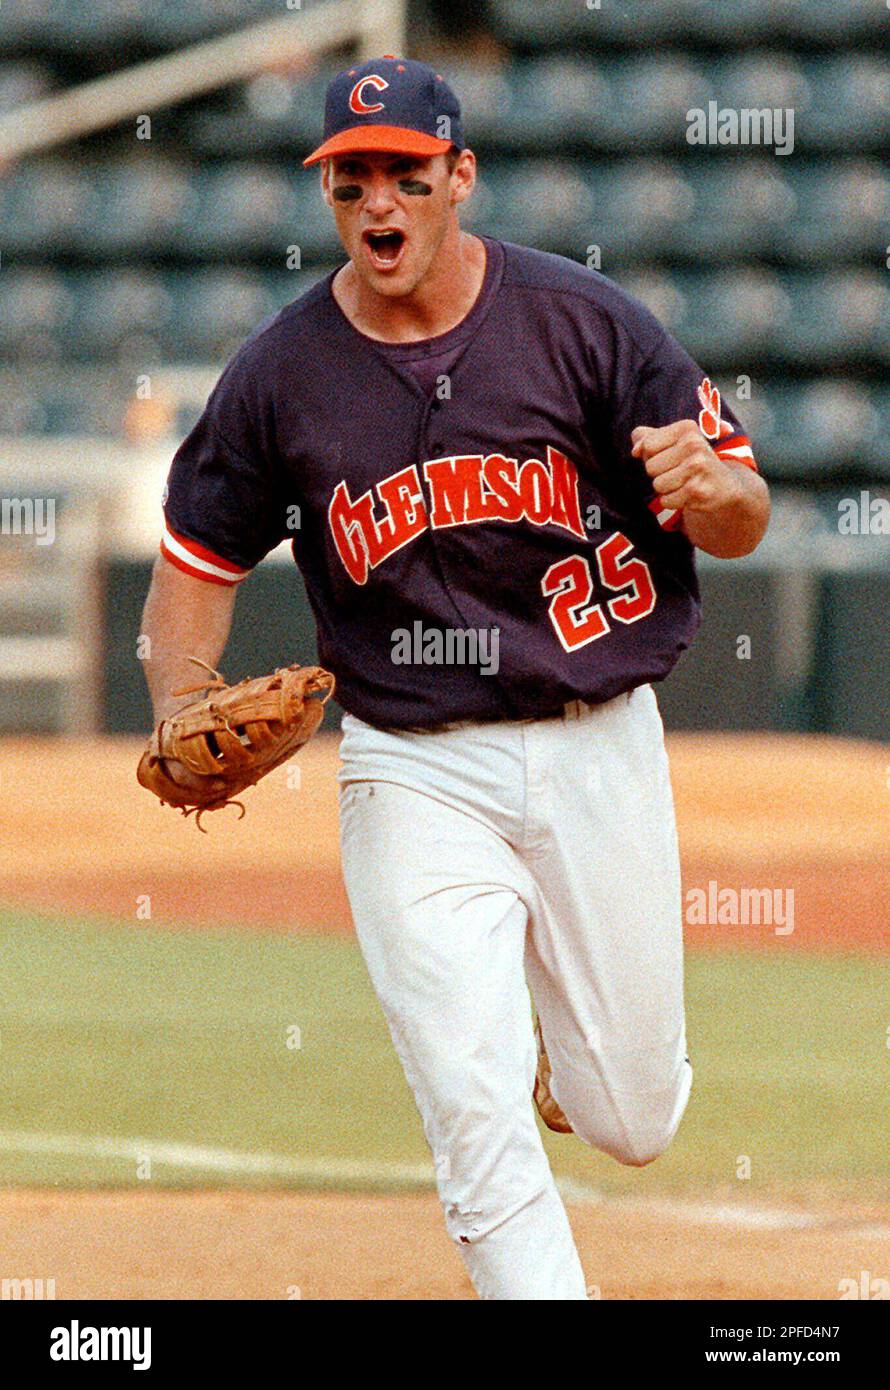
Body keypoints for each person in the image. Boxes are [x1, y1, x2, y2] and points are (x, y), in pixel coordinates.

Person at [140, 56, 770, 1300]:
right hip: (411, 767)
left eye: (405, 175)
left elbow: (740, 509)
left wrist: (724, 498)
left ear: (458, 178)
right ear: (328, 197)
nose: (378, 204)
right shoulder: (280, 373)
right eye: (350, 181)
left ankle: (568, 1060)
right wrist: (176, 698)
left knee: (632, 1116)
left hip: (599, 741)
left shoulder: (581, 322)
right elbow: (193, 557)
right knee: (471, 1118)